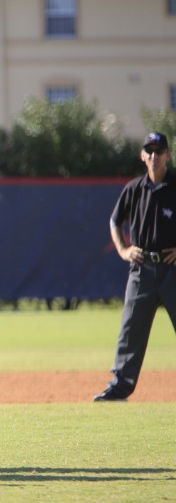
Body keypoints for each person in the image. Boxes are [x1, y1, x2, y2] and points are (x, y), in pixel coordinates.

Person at [94, 131, 176, 401]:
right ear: (143, 155)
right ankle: (120, 387)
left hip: (172, 268)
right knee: (131, 330)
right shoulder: (134, 189)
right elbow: (115, 221)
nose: (154, 156)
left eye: (159, 151)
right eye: (149, 151)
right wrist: (123, 249)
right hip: (142, 269)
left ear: (168, 155)